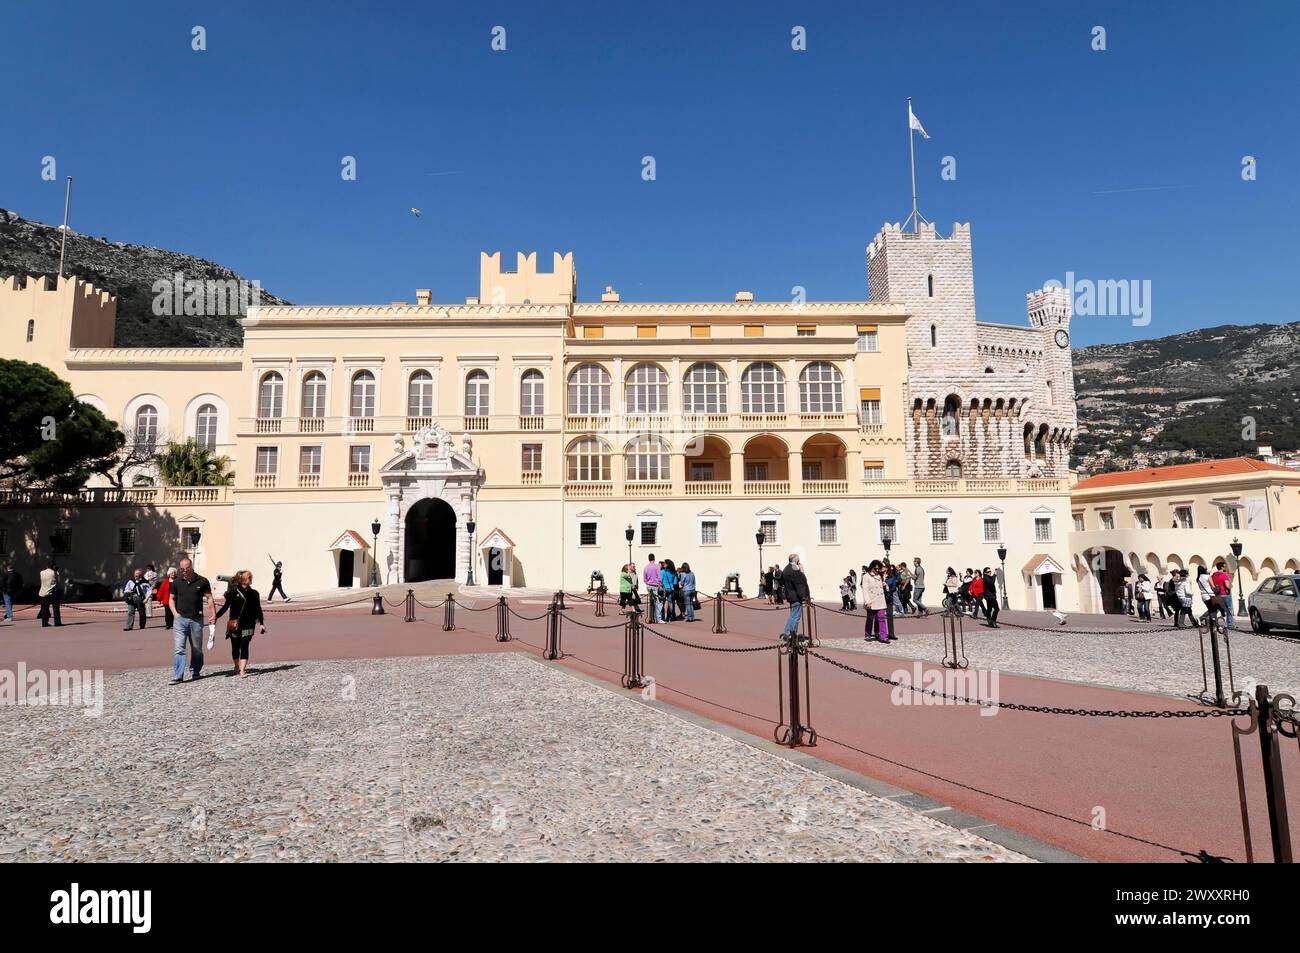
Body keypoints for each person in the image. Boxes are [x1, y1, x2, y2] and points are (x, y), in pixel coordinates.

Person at [168, 557, 216, 684]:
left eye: (186, 569)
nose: (184, 571)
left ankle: (195, 670)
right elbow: (171, 598)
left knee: (196, 648)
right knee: (179, 648)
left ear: (192, 568)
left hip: (196, 620)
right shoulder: (176, 582)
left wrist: (213, 614)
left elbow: (209, 598)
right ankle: (178, 675)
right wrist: (175, 613)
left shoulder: (203, 581)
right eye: (181, 569)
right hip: (180, 619)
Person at [214, 570, 266, 678]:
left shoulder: (254, 593)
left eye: (251, 577)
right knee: (235, 647)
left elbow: (258, 609)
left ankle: (242, 670)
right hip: (235, 624)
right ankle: (236, 666)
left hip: (249, 624)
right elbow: (225, 607)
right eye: (249, 577)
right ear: (242, 579)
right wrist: (215, 617)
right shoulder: (232, 593)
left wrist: (261, 623)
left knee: (245, 645)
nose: (251, 579)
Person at [779, 553, 809, 639]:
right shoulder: (794, 568)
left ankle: (787, 632)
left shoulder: (786, 569)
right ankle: (790, 634)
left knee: (793, 615)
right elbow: (801, 582)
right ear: (796, 560)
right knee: (795, 616)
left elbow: (782, 582)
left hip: (790, 595)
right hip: (795, 596)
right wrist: (802, 571)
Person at [862, 560, 888, 642]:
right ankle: (868, 634)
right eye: (875, 568)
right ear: (871, 567)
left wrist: (885, 586)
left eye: (878, 569)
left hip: (880, 601)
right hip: (871, 600)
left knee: (881, 618)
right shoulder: (866, 576)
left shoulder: (879, 576)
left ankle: (883, 636)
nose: (876, 570)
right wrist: (867, 602)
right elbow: (865, 590)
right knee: (870, 619)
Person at [37, 560, 62, 628]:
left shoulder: (41, 572)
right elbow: (58, 582)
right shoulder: (54, 573)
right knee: (55, 608)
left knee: (44, 608)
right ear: (53, 566)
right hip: (53, 592)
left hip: (44, 592)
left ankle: (44, 622)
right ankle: (57, 622)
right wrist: (58, 573)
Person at [1212, 560, 1234, 628]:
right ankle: (1230, 624)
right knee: (1229, 609)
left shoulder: (1214, 575)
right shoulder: (1224, 575)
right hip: (1225, 594)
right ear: (1221, 567)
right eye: (1224, 566)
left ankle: (1211, 621)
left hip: (1217, 594)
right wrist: (1230, 586)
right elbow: (1227, 585)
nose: (1225, 567)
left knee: (1217, 609)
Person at [642, 554, 662, 623]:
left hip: (649, 586)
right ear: (654, 558)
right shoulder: (657, 567)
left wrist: (647, 583)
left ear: (648, 559)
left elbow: (644, 579)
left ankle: (650, 618)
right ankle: (658, 618)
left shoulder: (646, 567)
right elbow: (659, 578)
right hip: (655, 586)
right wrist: (660, 584)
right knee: (658, 602)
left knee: (650, 602)